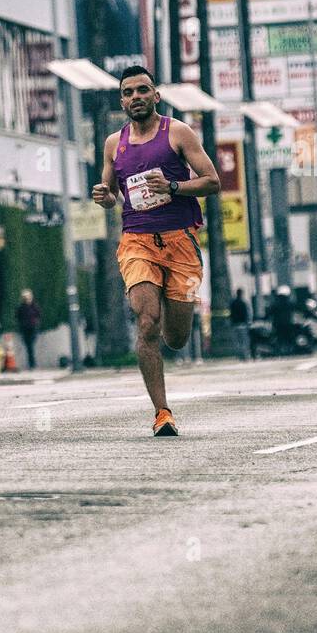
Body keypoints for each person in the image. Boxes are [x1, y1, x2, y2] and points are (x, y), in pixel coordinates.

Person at [91, 65, 221, 436]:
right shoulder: (114, 144)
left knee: (176, 337)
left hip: (180, 241)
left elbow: (212, 181)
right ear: (122, 100)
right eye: (128, 92)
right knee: (147, 321)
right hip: (137, 242)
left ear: (156, 95)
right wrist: (104, 197)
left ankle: (174, 315)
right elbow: (111, 193)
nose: (136, 97)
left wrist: (173, 188)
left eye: (142, 90)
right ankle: (162, 413)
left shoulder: (178, 133)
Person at [16, 289, 42, 369]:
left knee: (30, 345)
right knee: (29, 346)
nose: (27, 299)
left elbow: (38, 315)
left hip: (33, 327)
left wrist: (36, 323)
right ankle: (32, 364)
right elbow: (18, 317)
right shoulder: (21, 307)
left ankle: (32, 364)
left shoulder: (34, 306)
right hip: (25, 328)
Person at [269, 285, 296, 356]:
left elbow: (269, 314)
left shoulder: (275, 305)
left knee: (279, 339)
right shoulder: (290, 304)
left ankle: (280, 351)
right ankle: (290, 351)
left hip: (278, 325)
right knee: (289, 339)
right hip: (288, 324)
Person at [229, 288, 251, 360]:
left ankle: (240, 356)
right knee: (244, 341)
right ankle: (245, 355)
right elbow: (247, 314)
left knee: (237, 342)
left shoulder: (233, 303)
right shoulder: (244, 303)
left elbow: (231, 314)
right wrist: (248, 323)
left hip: (235, 325)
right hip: (243, 325)